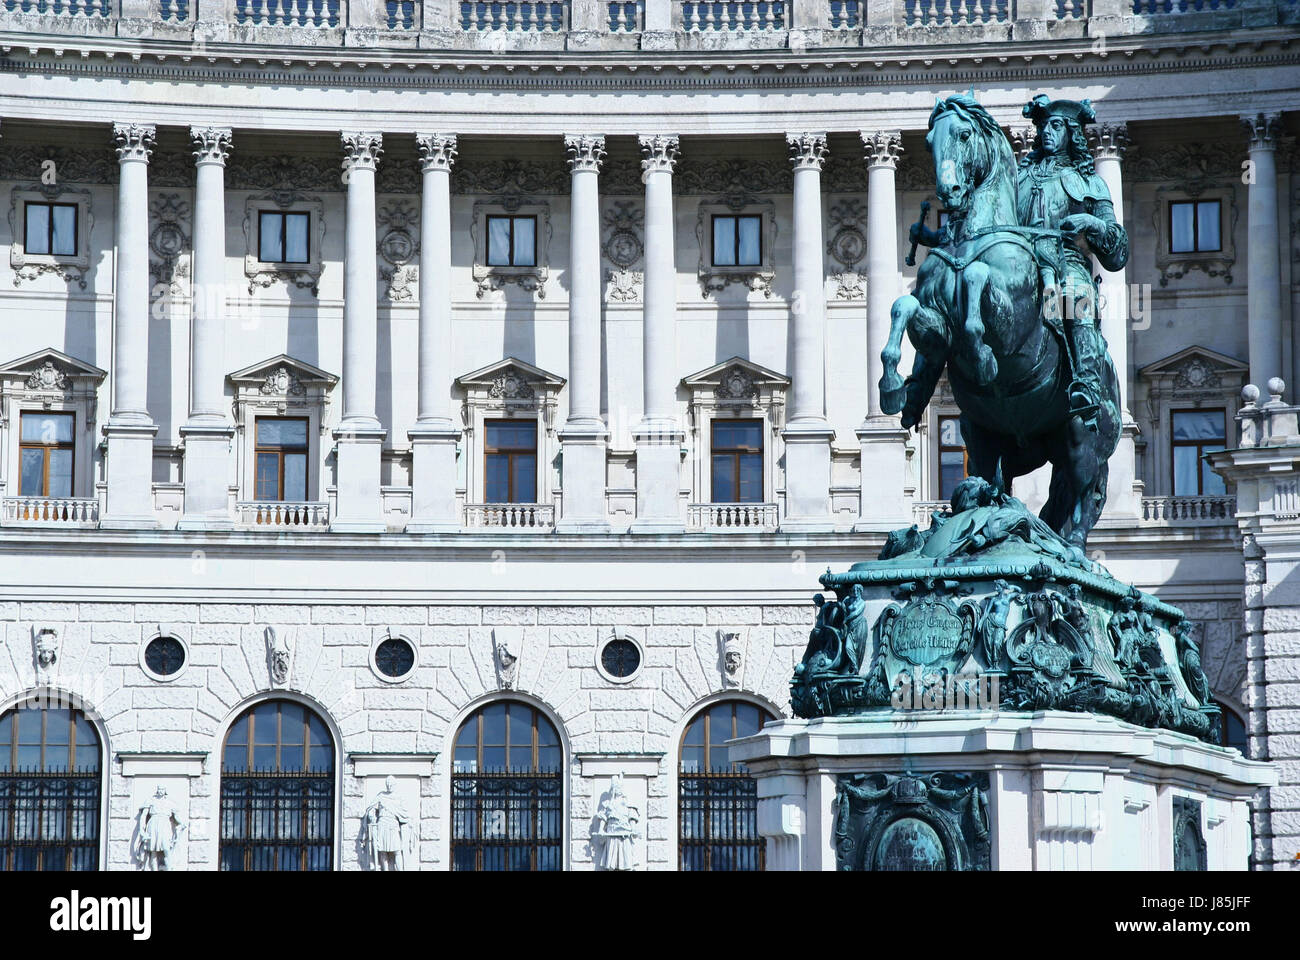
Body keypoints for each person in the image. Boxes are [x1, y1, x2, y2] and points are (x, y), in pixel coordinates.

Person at [1016, 95, 1129, 426]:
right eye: (1043, 126)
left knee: (1077, 296)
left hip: (1068, 266)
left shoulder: (1091, 183)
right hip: (1021, 265)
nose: (1047, 132)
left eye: (1055, 126)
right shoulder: (1018, 180)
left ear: (1071, 132)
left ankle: (1087, 384)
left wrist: (1091, 223)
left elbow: (1117, 251)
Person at [364, 776, 413, 871]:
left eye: (391, 784)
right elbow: (372, 809)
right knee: (382, 851)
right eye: (388, 784)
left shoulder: (399, 798)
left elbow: (404, 813)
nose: (389, 786)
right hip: (382, 825)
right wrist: (371, 815)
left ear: (395, 785)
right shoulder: (381, 796)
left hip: (393, 825)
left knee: (397, 850)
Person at [594, 774, 640, 871]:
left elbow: (632, 816)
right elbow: (603, 817)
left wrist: (634, 829)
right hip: (612, 836)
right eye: (616, 787)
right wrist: (601, 830)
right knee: (611, 864)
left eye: (619, 787)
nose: (618, 789)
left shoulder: (628, 803)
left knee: (626, 863)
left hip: (625, 836)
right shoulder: (608, 804)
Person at [134, 785, 186, 871]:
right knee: (153, 850)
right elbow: (143, 816)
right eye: (159, 789)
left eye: (162, 789)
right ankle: (154, 869)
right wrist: (142, 830)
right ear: (157, 790)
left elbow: (176, 816)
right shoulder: (151, 800)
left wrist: (182, 823)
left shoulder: (170, 802)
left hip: (165, 824)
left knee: (166, 848)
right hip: (153, 824)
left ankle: (169, 868)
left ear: (165, 791)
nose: (160, 791)